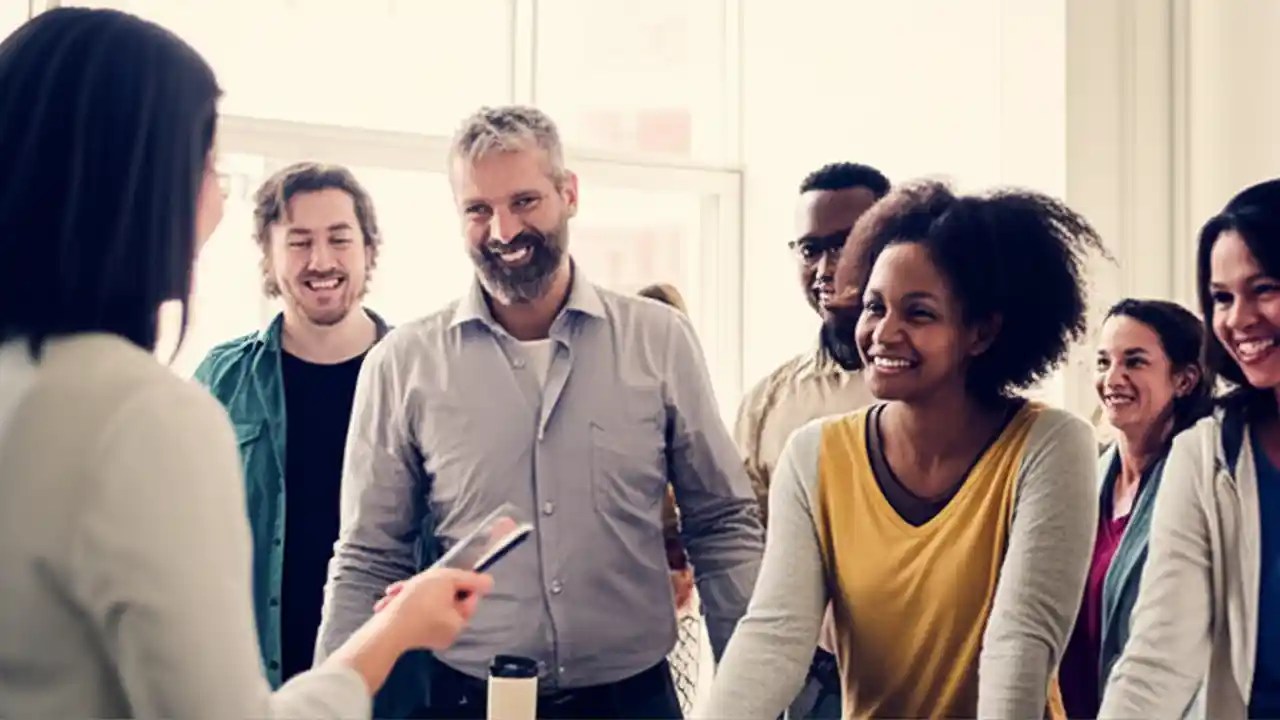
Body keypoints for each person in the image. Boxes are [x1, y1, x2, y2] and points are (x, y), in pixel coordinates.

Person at [0, 8, 490, 720]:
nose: (215, 198)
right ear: (134, 180)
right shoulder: (146, 416)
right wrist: (391, 632)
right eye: (203, 164)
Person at [315, 105, 763, 719]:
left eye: (525, 201)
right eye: (478, 209)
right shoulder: (402, 363)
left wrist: (755, 698)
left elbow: (721, 523)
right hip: (468, 702)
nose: (502, 230)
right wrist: (327, 702)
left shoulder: (660, 340)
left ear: (568, 193)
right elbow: (369, 556)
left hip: (632, 703)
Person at [703, 180, 1102, 719]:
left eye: (918, 314)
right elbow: (775, 635)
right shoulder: (817, 455)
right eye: (874, 307)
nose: (883, 333)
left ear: (980, 333)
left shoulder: (1050, 447)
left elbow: (1021, 640)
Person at [194, 162, 393, 689]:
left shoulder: (420, 374)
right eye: (299, 241)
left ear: (368, 250)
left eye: (339, 239)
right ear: (269, 256)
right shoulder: (221, 378)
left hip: (393, 689)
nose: (320, 260)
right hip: (254, 685)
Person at [1100, 178, 1280, 718]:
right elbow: (1158, 659)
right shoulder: (1206, 456)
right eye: (1222, 297)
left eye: (1265, 288)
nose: (1237, 319)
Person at [733, 162, 889, 718]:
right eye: (809, 249)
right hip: (805, 674)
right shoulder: (770, 401)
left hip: (922, 670)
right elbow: (741, 538)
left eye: (844, 245)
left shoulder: (946, 392)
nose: (825, 268)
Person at [1057, 299, 1212, 718]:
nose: (1113, 378)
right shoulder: (1081, 479)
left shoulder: (1204, 488)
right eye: (1104, 361)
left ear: (1184, 380)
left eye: (1135, 362)